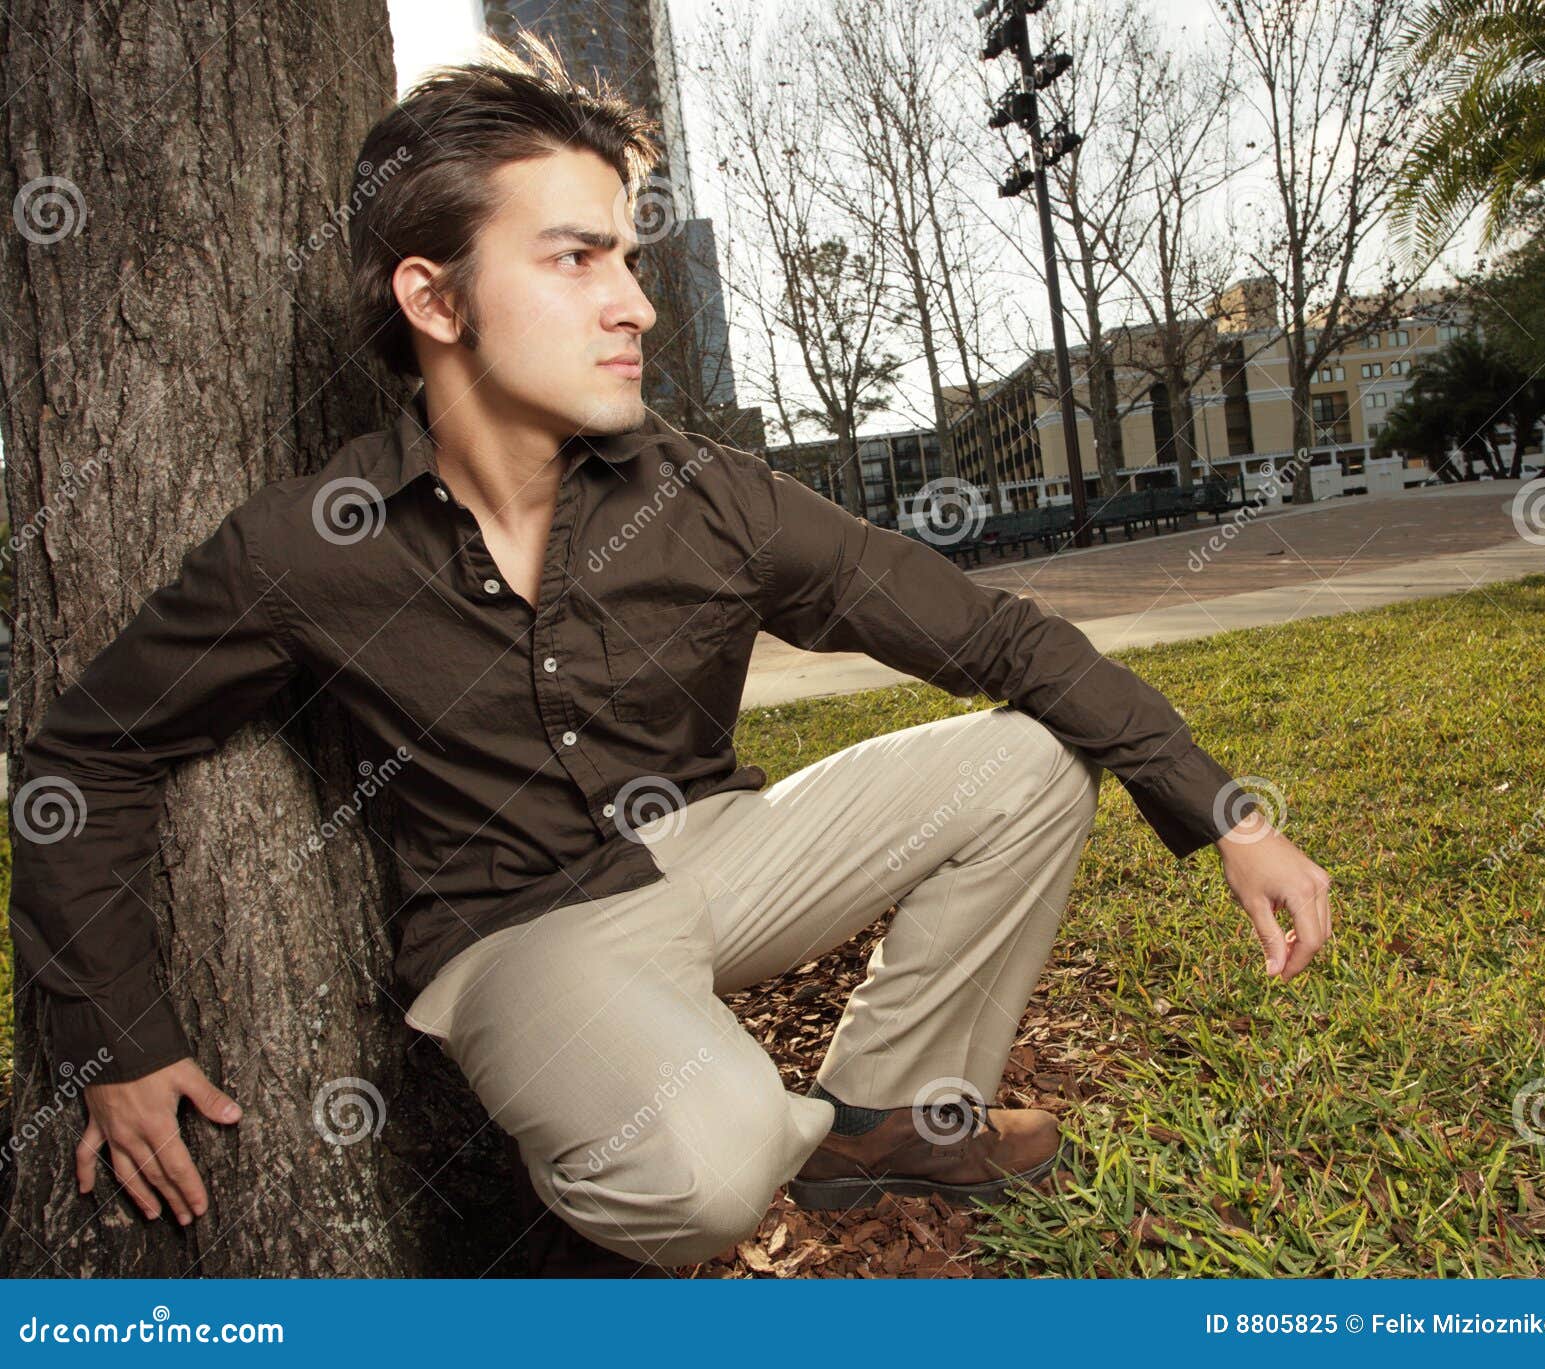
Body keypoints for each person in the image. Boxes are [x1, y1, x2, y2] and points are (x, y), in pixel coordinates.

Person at [7, 33, 1332, 1272]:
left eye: (630, 261)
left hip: (717, 853)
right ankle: (780, 1127)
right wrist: (116, 1038)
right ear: (436, 299)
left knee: (1030, 760)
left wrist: (1227, 813)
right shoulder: (310, 545)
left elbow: (993, 634)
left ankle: (886, 1120)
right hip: (524, 938)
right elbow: (84, 762)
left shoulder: (707, 496)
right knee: (713, 1170)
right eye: (576, 260)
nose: (635, 304)